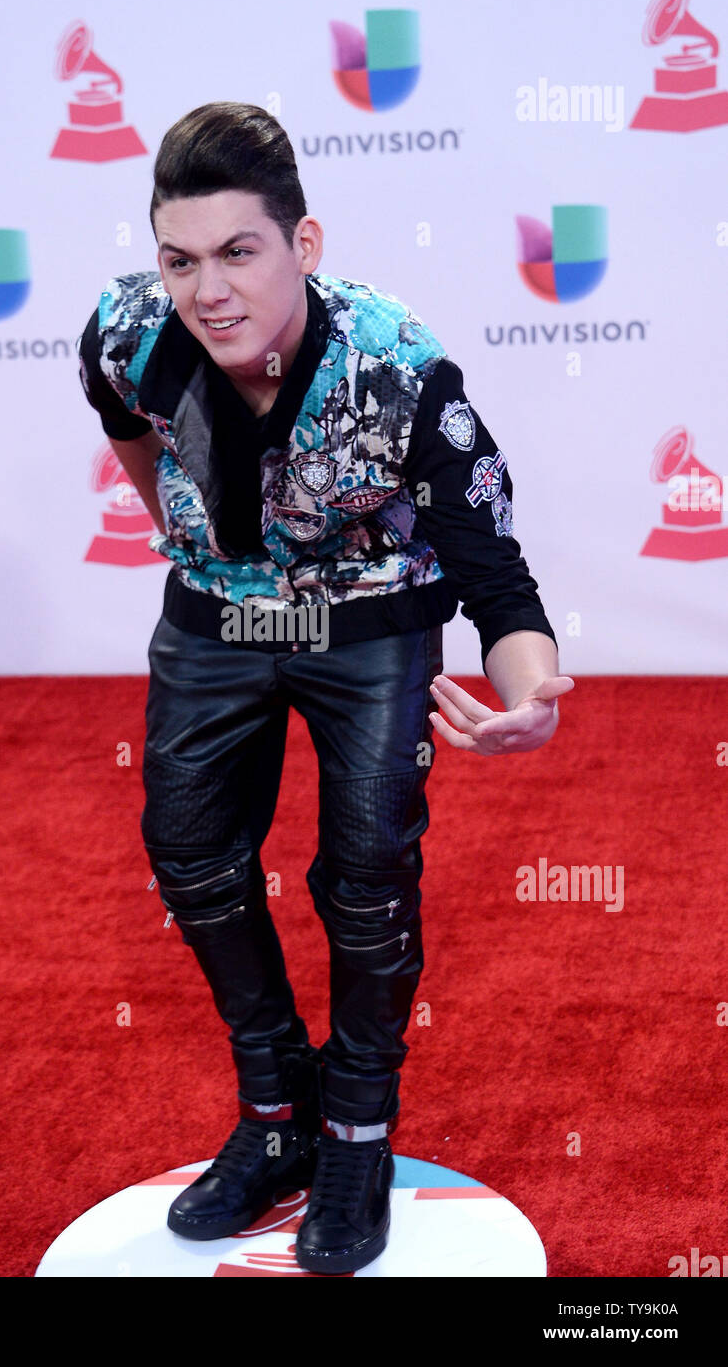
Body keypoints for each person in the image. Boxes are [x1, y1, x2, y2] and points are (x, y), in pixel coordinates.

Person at [77, 102, 574, 1276]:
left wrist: (535, 693)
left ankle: (356, 1130)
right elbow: (127, 426)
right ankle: (275, 1112)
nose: (209, 290)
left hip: (370, 621)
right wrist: (191, 544)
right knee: (190, 858)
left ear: (303, 245)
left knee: (365, 875)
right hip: (216, 618)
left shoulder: (400, 370)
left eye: (239, 252)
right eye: (181, 259)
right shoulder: (126, 332)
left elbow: (497, 579)